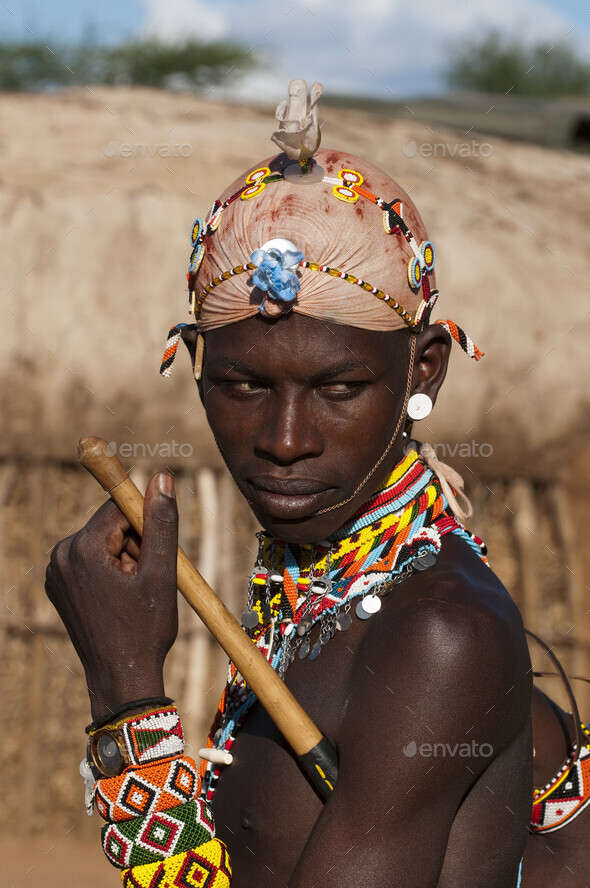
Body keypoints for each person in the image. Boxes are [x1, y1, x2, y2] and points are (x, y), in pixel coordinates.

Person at [46, 80, 535, 887]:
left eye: (338, 389)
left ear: (424, 370)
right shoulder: (320, 598)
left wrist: (125, 692)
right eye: (242, 386)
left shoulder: (440, 638)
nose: (282, 442)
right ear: (196, 367)